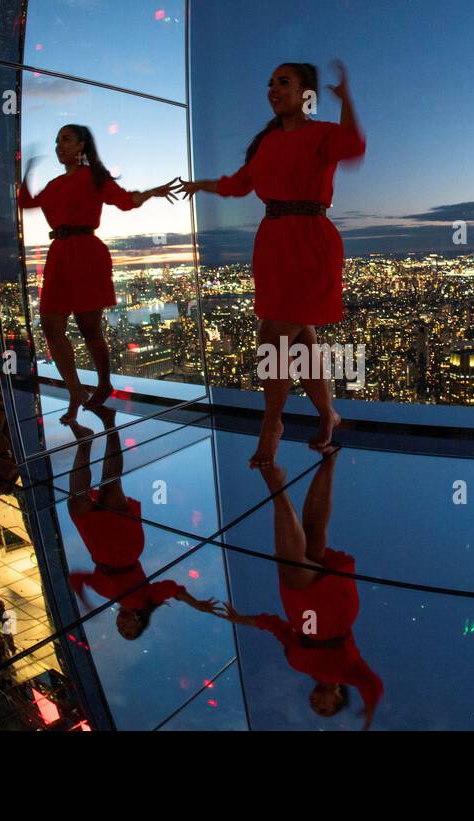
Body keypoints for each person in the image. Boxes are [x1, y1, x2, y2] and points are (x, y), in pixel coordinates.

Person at [179, 60, 365, 467]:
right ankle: (327, 414)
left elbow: (353, 146)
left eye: (283, 82)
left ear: (305, 93)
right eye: (271, 82)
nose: (273, 89)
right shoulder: (266, 143)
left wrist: (346, 99)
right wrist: (199, 185)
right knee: (300, 339)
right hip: (273, 244)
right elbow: (237, 184)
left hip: (310, 242)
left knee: (273, 333)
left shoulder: (322, 133)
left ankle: (272, 424)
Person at [18, 124, 177, 422]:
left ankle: (103, 384)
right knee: (51, 326)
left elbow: (125, 201)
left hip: (86, 255)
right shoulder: (54, 185)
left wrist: (152, 193)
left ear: (81, 146)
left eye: (66, 139)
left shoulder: (93, 177)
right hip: (59, 255)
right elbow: (26, 202)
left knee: (89, 328)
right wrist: (26, 172)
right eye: (57, 141)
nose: (59, 146)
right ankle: (75, 390)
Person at [219, 450, 382, 730]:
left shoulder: (300, 665)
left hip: (306, 616)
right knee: (291, 564)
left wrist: (240, 619)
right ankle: (275, 483)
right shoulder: (346, 673)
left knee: (313, 540)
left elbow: (276, 627)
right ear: (338, 697)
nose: (315, 703)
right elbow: (373, 684)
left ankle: (328, 460)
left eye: (313, 706)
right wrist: (368, 714)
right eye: (323, 708)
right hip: (331, 618)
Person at [66, 406, 221, 638]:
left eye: (119, 629)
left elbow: (76, 578)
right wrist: (195, 603)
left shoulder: (105, 592)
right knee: (109, 485)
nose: (121, 625)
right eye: (128, 629)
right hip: (125, 549)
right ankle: (108, 422)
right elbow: (171, 588)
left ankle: (85, 442)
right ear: (138, 622)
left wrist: (85, 602)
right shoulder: (145, 600)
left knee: (77, 501)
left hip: (100, 547)